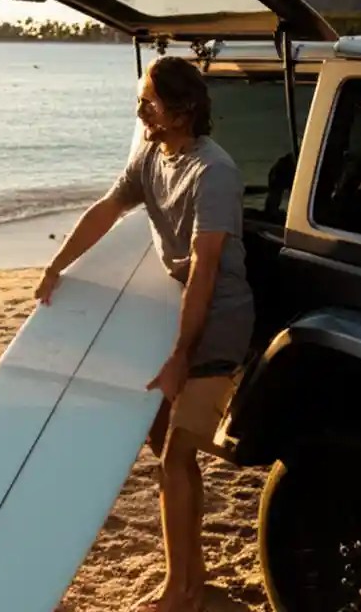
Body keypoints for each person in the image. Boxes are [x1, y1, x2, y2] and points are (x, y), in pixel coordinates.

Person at [33, 55, 254, 612]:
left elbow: (205, 270)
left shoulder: (214, 172)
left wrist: (182, 354)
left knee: (176, 456)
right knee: (169, 451)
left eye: (148, 103)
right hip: (175, 311)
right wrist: (58, 264)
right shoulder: (152, 157)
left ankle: (181, 593)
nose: (140, 111)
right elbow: (106, 210)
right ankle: (190, 580)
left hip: (220, 318)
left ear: (181, 111)